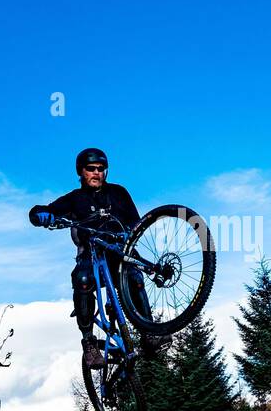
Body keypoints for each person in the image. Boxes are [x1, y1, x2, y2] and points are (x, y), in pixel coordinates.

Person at [28, 148, 167, 368]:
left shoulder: (119, 193)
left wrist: (130, 234)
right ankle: (89, 343)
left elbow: (136, 221)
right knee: (82, 280)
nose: (96, 173)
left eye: (101, 169)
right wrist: (40, 215)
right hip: (91, 256)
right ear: (80, 172)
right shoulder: (74, 199)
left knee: (135, 276)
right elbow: (44, 210)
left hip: (120, 252)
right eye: (91, 169)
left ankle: (149, 333)